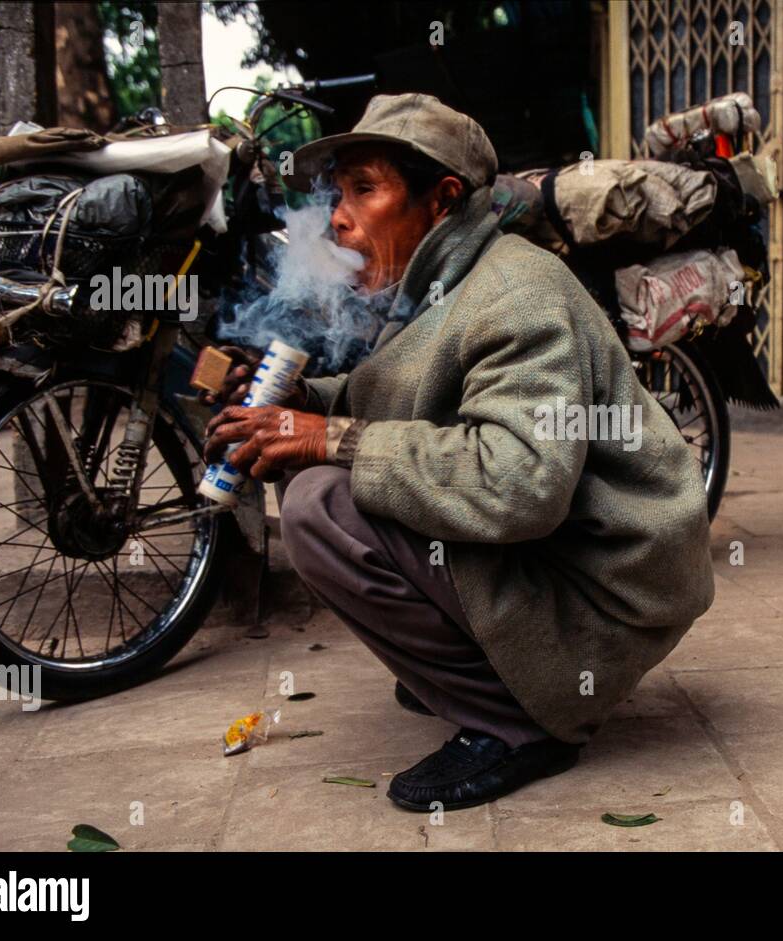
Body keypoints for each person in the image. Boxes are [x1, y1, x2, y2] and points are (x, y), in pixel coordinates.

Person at [200, 93, 716, 812]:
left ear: (441, 200)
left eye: (365, 190)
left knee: (322, 503)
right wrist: (304, 407)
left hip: (609, 590)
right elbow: (403, 393)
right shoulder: (438, 286)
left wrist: (329, 437)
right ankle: (489, 664)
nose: (338, 217)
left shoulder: (515, 293)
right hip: (567, 556)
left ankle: (519, 724)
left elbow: (521, 484)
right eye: (338, 192)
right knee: (318, 468)